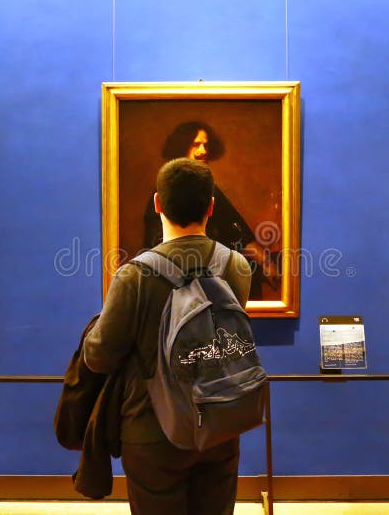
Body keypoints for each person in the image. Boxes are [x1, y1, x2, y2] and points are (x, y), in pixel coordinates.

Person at [84, 158, 252, 515]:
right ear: (211, 205)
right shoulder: (235, 265)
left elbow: (99, 356)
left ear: (157, 203)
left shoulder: (134, 275)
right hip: (219, 419)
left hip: (151, 426)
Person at [142, 121, 278, 297]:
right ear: (181, 147)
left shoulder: (209, 189)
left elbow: (237, 229)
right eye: (196, 144)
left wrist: (266, 262)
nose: (203, 151)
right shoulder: (164, 192)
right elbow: (158, 247)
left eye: (205, 145)